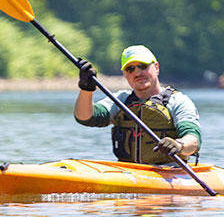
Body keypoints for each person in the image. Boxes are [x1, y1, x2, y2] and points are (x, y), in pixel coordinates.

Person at [74, 45, 203, 165]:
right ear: (125, 74)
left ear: (156, 67)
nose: (137, 73)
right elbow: (85, 117)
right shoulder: (121, 100)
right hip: (129, 171)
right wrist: (86, 88)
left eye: (143, 66)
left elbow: (193, 140)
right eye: (130, 69)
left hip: (169, 172)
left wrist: (178, 144)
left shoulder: (178, 101)